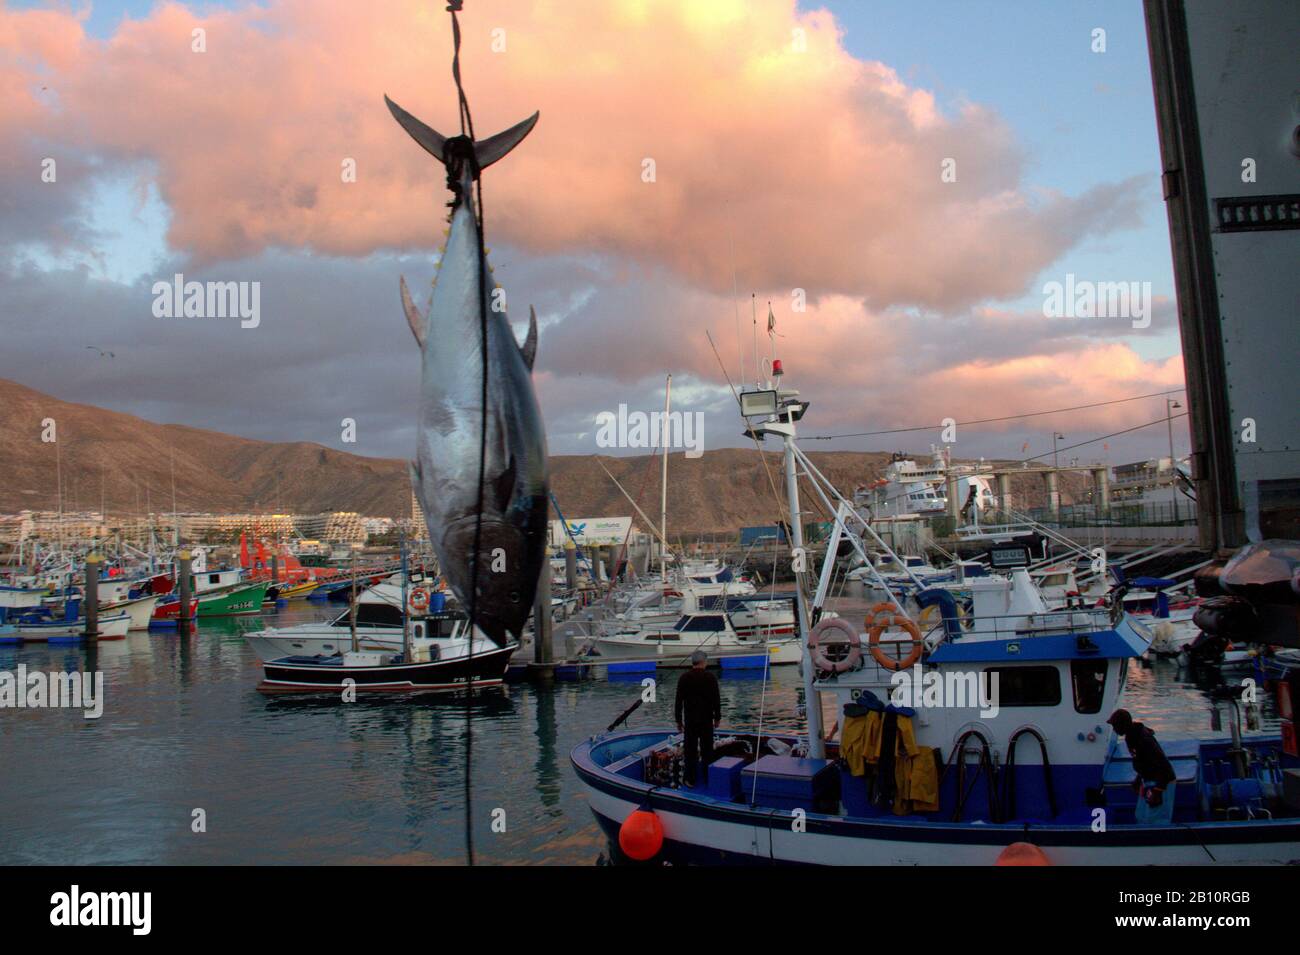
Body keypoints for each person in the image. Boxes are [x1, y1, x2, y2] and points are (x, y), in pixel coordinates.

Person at [1107, 709, 1177, 824]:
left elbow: (1163, 766)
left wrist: (1158, 791)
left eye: (1115, 726)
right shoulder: (1131, 737)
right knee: (1141, 816)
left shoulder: (1143, 739)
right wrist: (1139, 778)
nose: (1114, 729)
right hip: (1149, 780)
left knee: (1155, 819)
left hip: (1161, 781)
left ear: (1123, 725)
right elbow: (1144, 760)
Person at [674, 650, 721, 787]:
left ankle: (690, 779)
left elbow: (678, 702)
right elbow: (716, 700)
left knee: (690, 751)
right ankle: (708, 777)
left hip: (690, 721)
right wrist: (717, 718)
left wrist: (678, 720)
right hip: (706, 720)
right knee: (707, 751)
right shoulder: (710, 677)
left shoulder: (684, 678)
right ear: (703, 662)